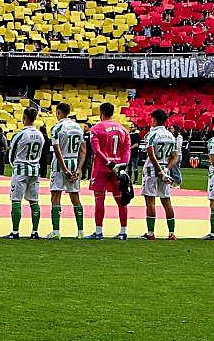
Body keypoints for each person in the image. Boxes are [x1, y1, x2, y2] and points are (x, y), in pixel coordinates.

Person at [88, 102, 132, 240]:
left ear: (101, 112)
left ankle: (99, 232)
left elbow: (96, 150)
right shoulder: (123, 129)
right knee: (121, 200)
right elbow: (127, 149)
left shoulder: (96, 129)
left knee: (99, 200)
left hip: (102, 168)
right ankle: (123, 231)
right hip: (118, 170)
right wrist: (122, 165)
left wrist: (109, 163)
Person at [140, 110, 181, 240]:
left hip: (152, 170)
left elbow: (151, 155)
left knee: (150, 201)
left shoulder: (151, 135)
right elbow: (175, 157)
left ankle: (151, 233)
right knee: (166, 200)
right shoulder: (171, 136)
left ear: (154, 120)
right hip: (165, 168)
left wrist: (159, 171)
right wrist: (166, 170)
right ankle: (171, 233)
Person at [48, 103, 87, 239]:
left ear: (58, 113)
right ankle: (81, 231)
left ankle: (56, 231)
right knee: (75, 197)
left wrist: (64, 169)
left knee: (55, 196)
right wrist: (79, 169)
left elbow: (57, 150)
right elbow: (83, 150)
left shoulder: (56, 128)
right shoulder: (78, 127)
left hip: (60, 165)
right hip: (74, 162)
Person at [7, 107, 46, 237]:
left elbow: (11, 154)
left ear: (24, 117)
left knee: (16, 200)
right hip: (35, 169)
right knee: (34, 200)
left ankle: (15, 231)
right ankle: (35, 232)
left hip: (20, 169)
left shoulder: (20, 134)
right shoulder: (40, 135)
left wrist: (15, 165)